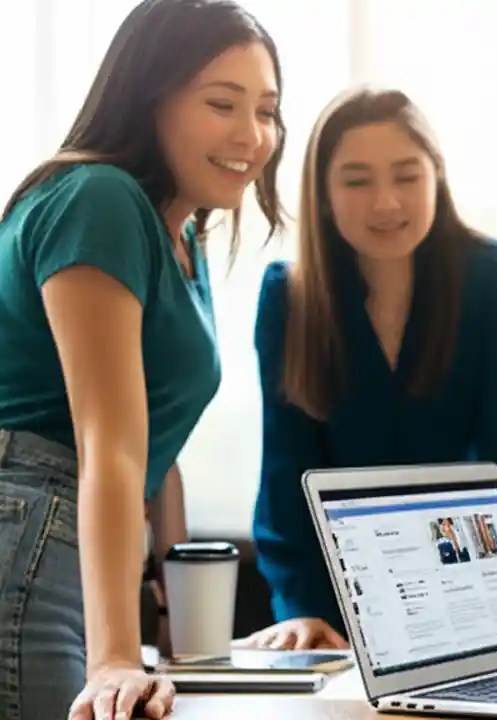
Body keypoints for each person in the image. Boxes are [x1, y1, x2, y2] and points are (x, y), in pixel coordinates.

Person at [0, 1, 284, 718]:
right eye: (222, 103)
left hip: (74, 537)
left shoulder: (178, 235)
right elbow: (109, 442)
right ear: (149, 95)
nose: (252, 136)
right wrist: (115, 658)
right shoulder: (99, 199)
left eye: (267, 111)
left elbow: (156, 445)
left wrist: (168, 602)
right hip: (30, 518)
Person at [239, 87, 497, 651]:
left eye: (407, 176)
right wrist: (302, 608)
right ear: (323, 195)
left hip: (475, 595)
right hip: (338, 610)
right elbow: (286, 478)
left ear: (437, 176)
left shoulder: (494, 279)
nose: (386, 203)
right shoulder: (289, 298)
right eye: (357, 181)